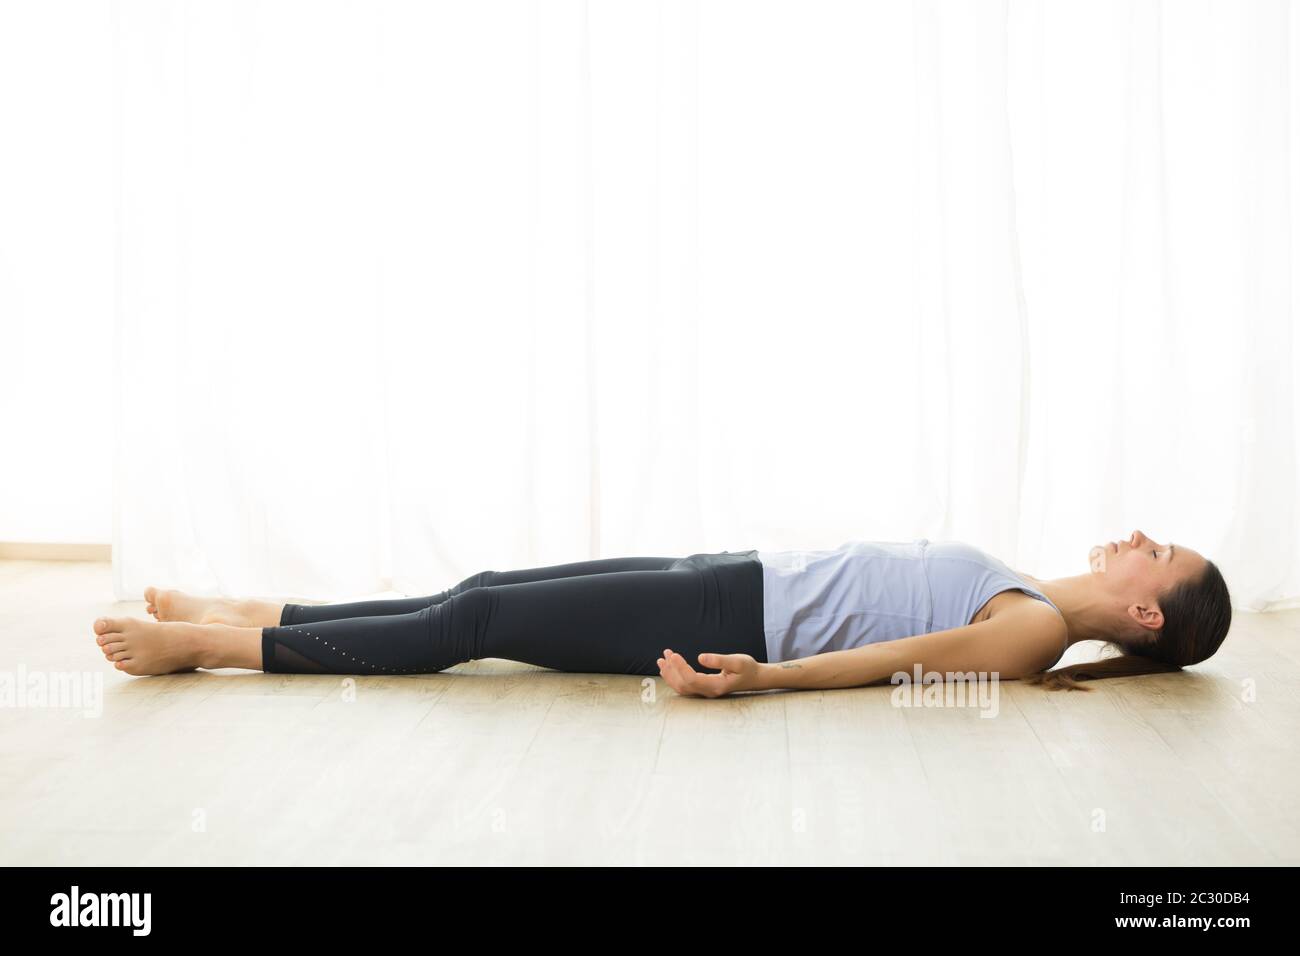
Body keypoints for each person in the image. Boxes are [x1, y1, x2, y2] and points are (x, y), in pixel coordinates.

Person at [90, 528, 1231, 696]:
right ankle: (263, 608)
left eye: (1161, 549)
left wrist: (760, 678)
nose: (1139, 531)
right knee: (480, 593)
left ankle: (212, 646)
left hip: (738, 617)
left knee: (474, 627)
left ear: (1144, 608)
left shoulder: (1033, 631)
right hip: (729, 570)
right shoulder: (1026, 587)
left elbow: (894, 657)